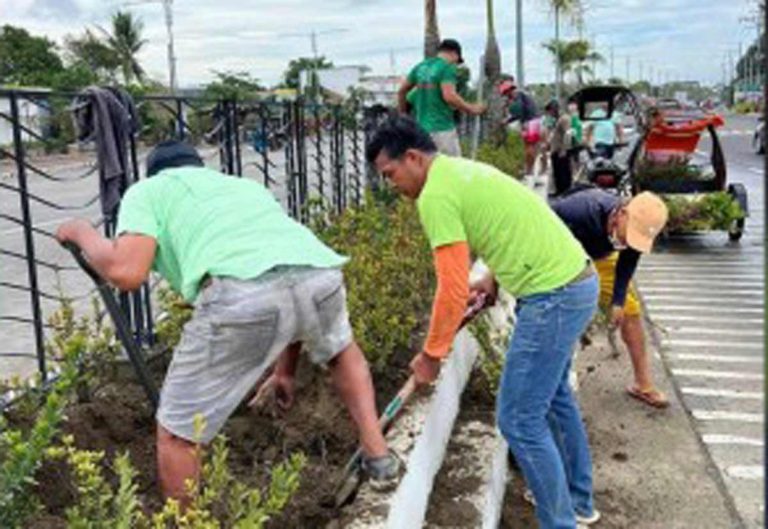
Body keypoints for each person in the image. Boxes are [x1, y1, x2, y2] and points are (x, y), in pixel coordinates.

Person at [55, 140, 399, 504]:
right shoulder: (242, 187)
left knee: (177, 432)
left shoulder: (149, 190)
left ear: (157, 172)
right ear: (199, 167)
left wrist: (80, 231)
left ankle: (186, 523)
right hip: (319, 276)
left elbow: (125, 272)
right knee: (342, 352)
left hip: (240, 294)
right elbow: (286, 282)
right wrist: (285, 372)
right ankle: (378, 457)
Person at [366, 116, 601, 529]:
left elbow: (451, 289)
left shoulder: (435, 196)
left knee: (518, 419)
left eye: (390, 174)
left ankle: (562, 521)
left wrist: (431, 355)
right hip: (573, 283)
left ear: (414, 158)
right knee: (552, 401)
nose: (392, 185)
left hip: (553, 297)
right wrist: (492, 278)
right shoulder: (461, 170)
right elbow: (510, 221)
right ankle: (579, 502)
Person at [552, 186, 669, 408]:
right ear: (622, 213)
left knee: (630, 311)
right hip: (564, 260)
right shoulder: (576, 211)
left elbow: (626, 264)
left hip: (601, 258)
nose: (629, 242)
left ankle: (642, 385)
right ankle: (557, 381)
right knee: (562, 317)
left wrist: (617, 302)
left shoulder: (634, 230)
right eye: (630, 235)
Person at [398, 38, 485, 156]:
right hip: (442, 129)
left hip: (422, 132)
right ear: (454, 54)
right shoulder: (447, 67)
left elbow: (402, 92)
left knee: (428, 170)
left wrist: (403, 116)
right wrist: (471, 109)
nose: (456, 64)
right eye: (457, 61)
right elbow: (449, 96)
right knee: (453, 169)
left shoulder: (421, 67)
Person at [499, 77, 541, 176]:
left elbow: (518, 113)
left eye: (505, 94)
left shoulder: (518, 97)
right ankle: (530, 169)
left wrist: (507, 121)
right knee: (531, 147)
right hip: (533, 121)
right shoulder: (521, 95)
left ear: (509, 91)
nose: (506, 96)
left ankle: (529, 170)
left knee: (529, 146)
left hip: (530, 122)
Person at [544, 99, 575, 196]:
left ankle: (565, 193)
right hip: (556, 151)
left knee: (564, 174)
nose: (550, 114)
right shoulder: (557, 120)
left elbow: (568, 134)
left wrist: (564, 149)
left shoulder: (564, 119)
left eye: (550, 111)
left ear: (554, 109)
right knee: (557, 174)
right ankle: (559, 192)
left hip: (561, 152)